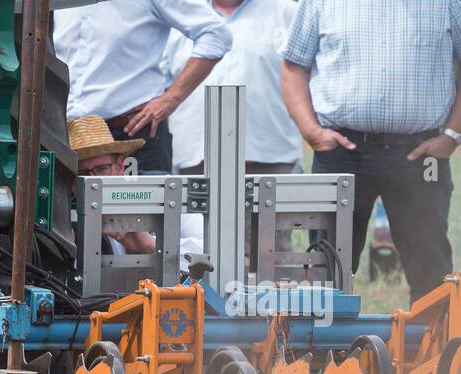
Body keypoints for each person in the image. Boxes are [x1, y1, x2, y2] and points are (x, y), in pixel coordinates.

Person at [280, 0, 461, 303]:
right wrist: (312, 132)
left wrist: (453, 136)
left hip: (422, 155)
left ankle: (432, 348)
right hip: (341, 151)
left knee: (430, 266)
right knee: (326, 268)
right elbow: (294, 66)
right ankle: (322, 349)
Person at [55, 0, 233, 175]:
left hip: (133, 130)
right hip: (66, 135)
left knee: (143, 204)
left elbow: (216, 34)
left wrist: (171, 99)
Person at [164, 0, 302, 177]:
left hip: (272, 160)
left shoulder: (287, 12)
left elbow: (307, 77)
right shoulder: (176, 11)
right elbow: (157, 85)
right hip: (193, 161)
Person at [68, 116, 155, 255]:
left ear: (121, 165)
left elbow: (201, 249)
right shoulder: (63, 221)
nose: (93, 181)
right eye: (82, 173)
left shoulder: (160, 190)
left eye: (102, 169)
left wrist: (150, 244)